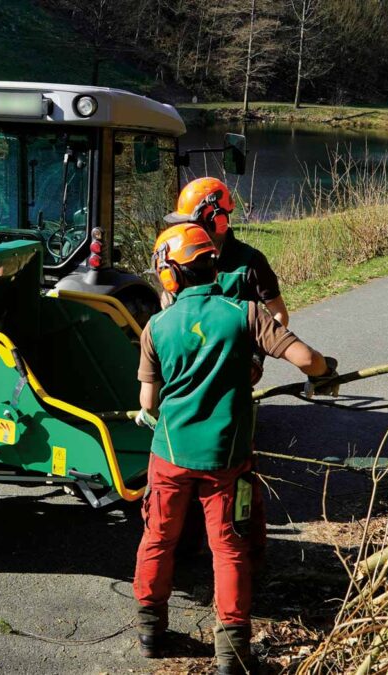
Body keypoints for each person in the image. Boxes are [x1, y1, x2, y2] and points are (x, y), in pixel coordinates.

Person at [133, 224, 337, 674]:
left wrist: (154, 409)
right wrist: (324, 371)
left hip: (169, 454)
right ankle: (231, 650)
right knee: (229, 549)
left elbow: (148, 403)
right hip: (227, 458)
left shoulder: (156, 326)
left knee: (159, 538)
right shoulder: (245, 313)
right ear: (211, 265)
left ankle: (151, 630)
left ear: (171, 275)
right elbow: (307, 360)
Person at [164, 177, 289, 329]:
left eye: (191, 224)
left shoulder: (251, 262)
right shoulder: (182, 262)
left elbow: (280, 314)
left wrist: (257, 349)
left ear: (218, 221)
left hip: (237, 351)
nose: (186, 230)